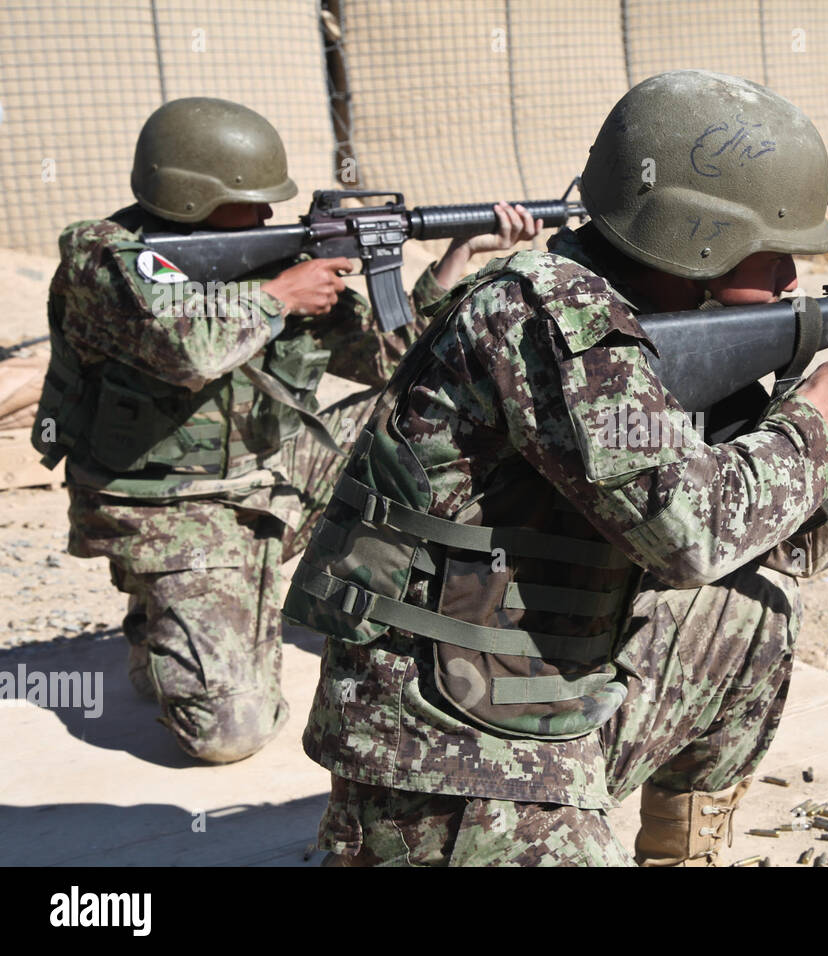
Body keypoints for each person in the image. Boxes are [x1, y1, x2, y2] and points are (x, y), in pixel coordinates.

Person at [284, 70, 828, 866]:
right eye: (773, 255)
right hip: (433, 743)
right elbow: (688, 537)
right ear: (693, 237)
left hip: (532, 687)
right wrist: (814, 420)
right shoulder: (550, 315)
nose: (791, 283)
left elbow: (790, 548)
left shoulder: (642, 333)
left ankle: (678, 848)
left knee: (752, 609)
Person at [31, 96, 538, 764]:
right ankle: (166, 612)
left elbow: (394, 360)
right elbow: (185, 350)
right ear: (192, 199)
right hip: (164, 507)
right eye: (254, 201)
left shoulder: (277, 265)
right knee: (230, 735)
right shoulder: (105, 259)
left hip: (269, 473)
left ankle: (423, 612)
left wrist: (456, 258)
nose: (273, 216)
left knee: (426, 415)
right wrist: (279, 298)